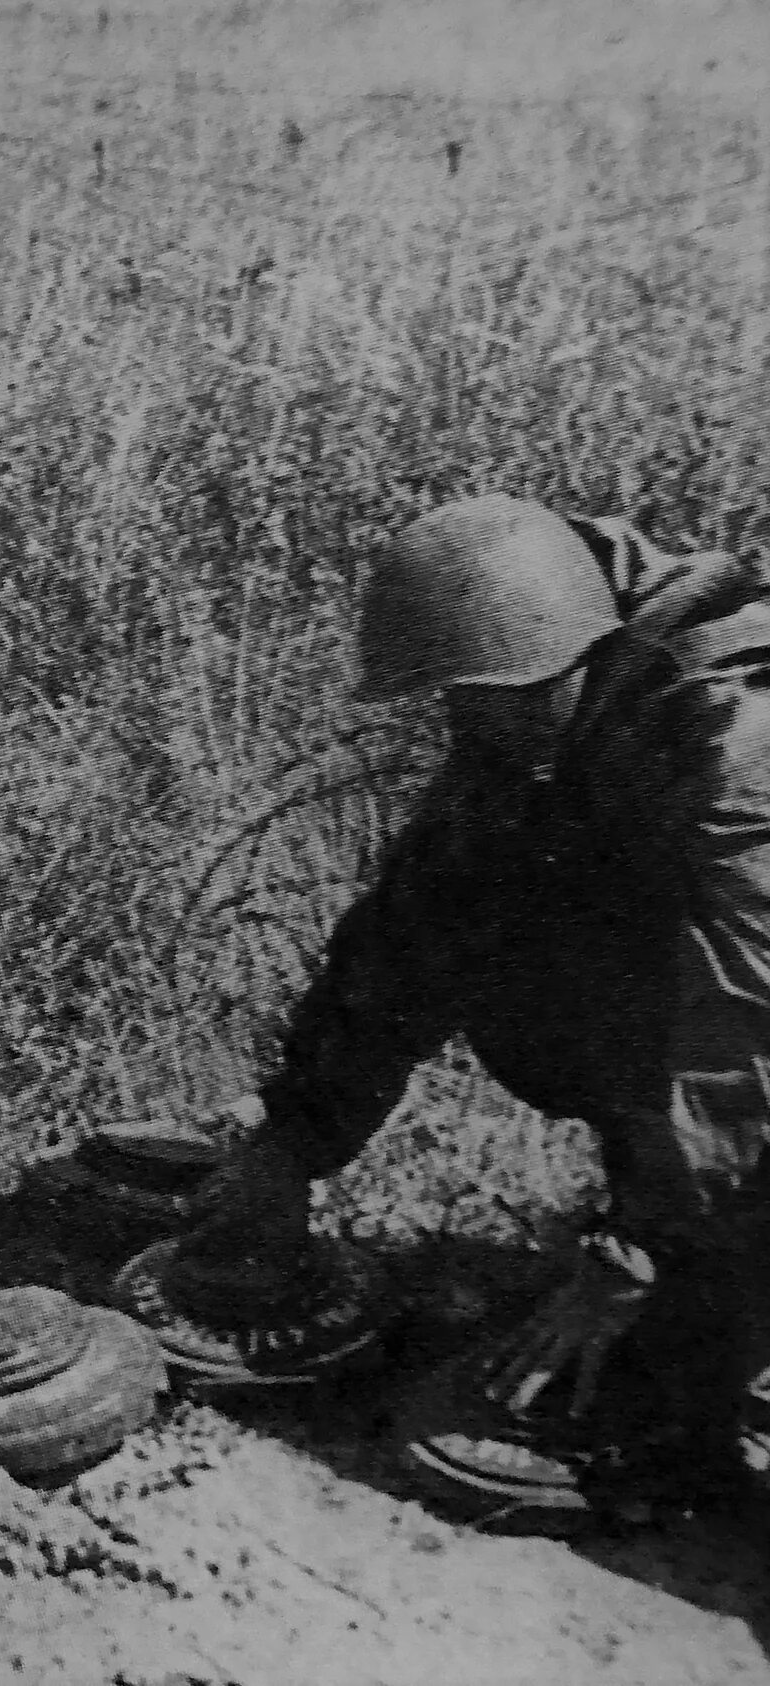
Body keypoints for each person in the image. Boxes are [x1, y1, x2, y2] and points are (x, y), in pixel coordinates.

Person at [188, 493, 770, 1514]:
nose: (468, 722)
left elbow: (746, 1040)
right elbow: (413, 925)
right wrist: (296, 1138)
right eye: (455, 698)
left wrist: (639, 1249)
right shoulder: (552, 684)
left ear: (568, 655)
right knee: (497, 905)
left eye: (490, 697)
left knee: (698, 1360)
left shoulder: (739, 754)